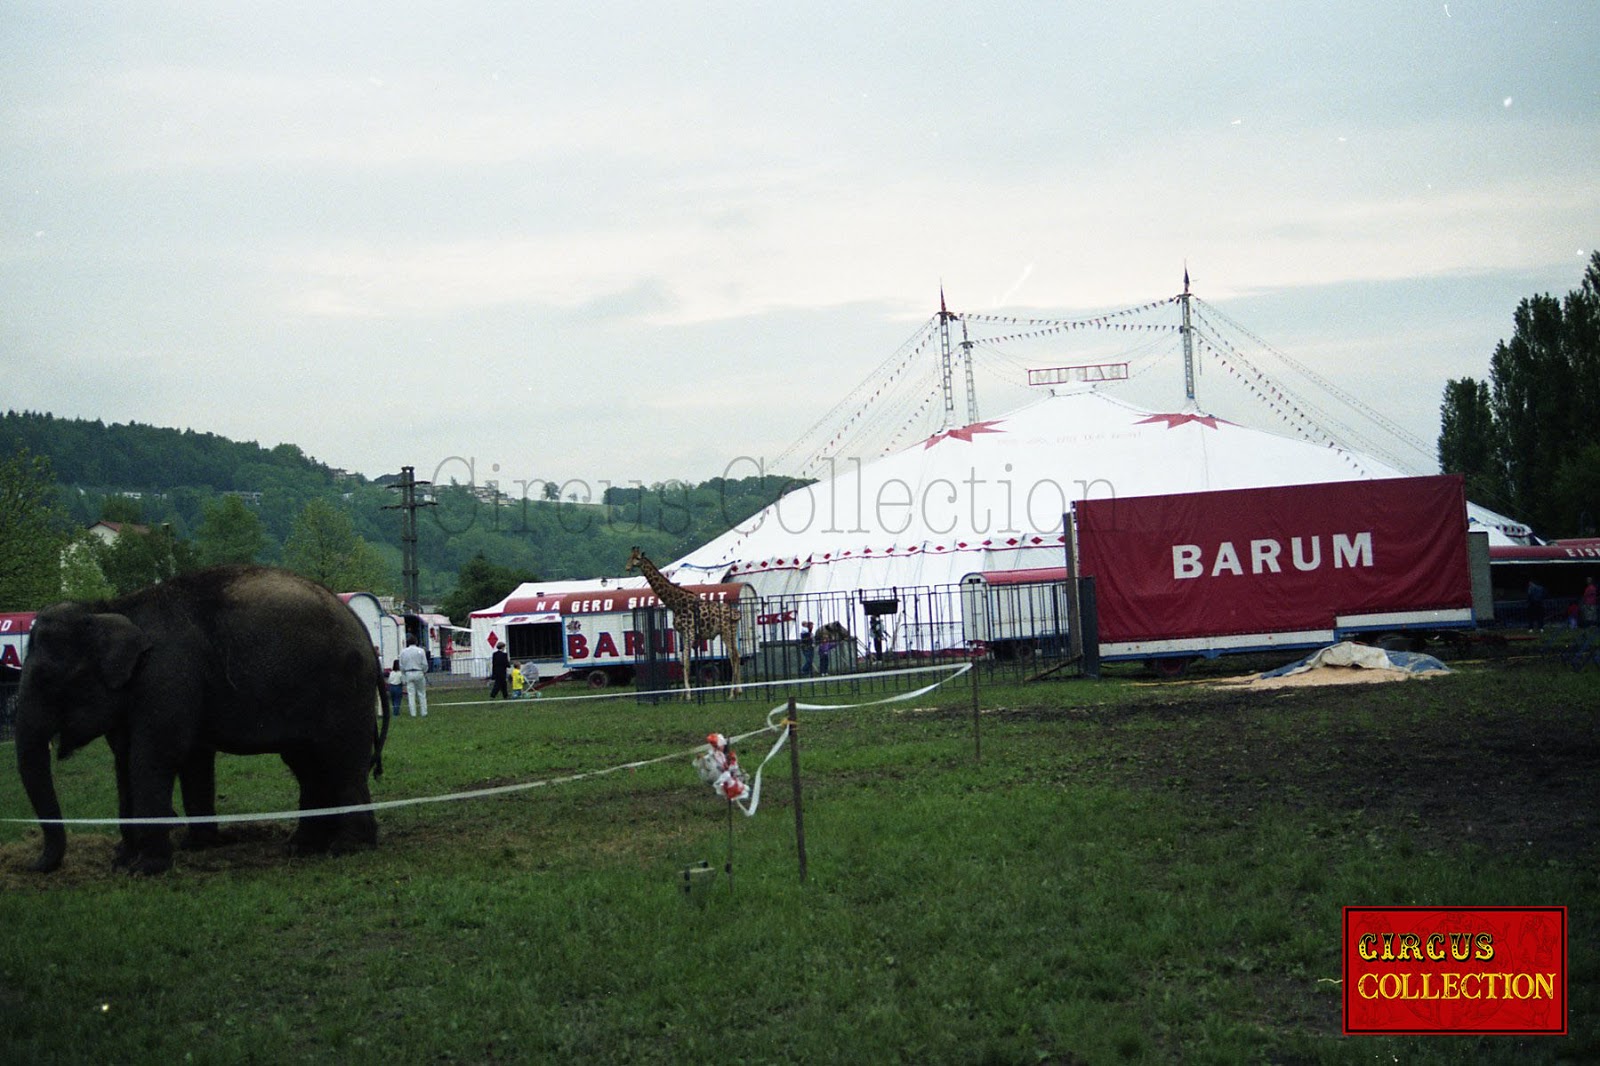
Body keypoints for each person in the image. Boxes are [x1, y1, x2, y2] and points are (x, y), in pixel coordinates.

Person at [399, 636, 429, 717]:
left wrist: (404, 673)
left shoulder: (403, 652)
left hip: (408, 673)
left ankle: (413, 713)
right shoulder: (421, 651)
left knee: (411, 694)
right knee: (421, 693)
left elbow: (401, 665)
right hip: (419, 672)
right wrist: (424, 671)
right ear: (416, 642)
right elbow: (425, 664)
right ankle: (424, 712)